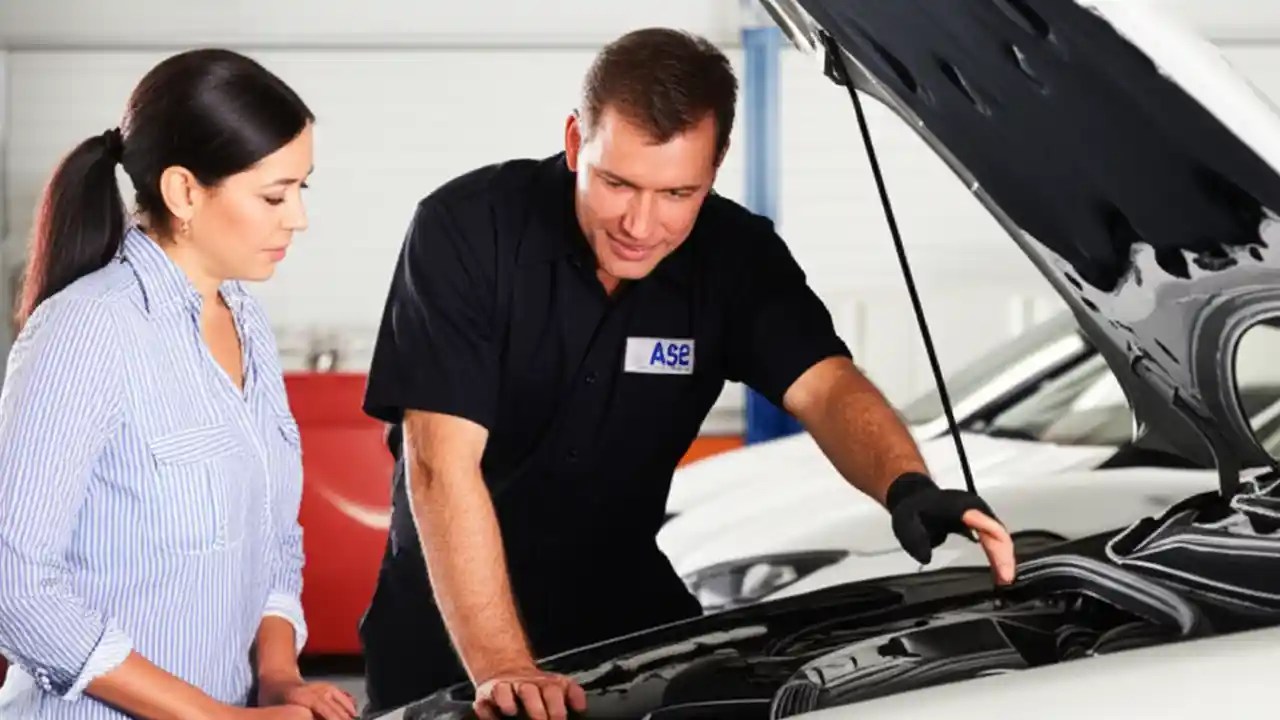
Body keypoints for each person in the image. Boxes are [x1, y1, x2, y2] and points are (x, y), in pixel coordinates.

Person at [359, 27, 1017, 720]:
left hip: (620, 623)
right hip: (451, 641)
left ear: (717, 163)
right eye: (617, 183)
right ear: (576, 140)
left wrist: (906, 484)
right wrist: (503, 669)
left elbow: (824, 384)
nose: (641, 224)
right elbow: (440, 467)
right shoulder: (468, 230)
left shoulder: (735, 258)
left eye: (677, 192)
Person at [0, 49, 357, 720]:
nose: (298, 218)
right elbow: (14, 588)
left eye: (302, 188)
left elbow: (274, 539)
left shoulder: (247, 321)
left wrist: (278, 677)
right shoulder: (86, 330)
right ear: (184, 192)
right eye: (275, 195)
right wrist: (217, 718)